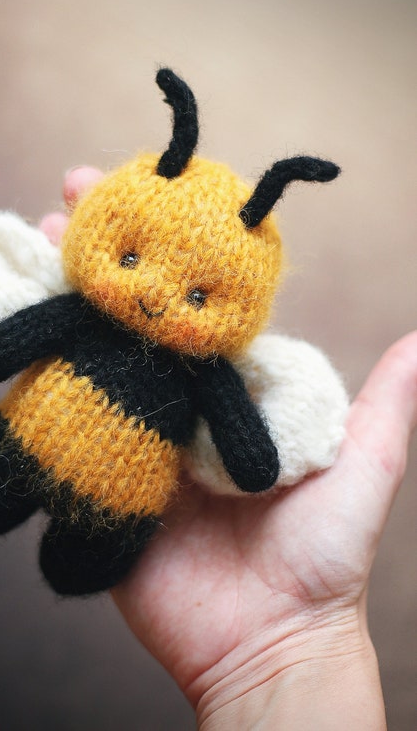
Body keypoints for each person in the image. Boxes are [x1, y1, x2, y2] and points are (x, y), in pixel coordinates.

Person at [41, 167, 417, 730]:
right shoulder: (88, 317)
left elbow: (252, 460)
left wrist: (290, 647)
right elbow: (9, 343)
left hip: (127, 486)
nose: (152, 295)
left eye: (198, 297)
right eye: (130, 260)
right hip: (31, 430)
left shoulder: (205, 369)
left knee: (87, 546)